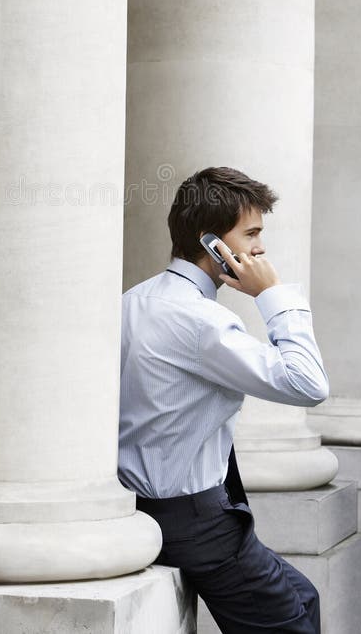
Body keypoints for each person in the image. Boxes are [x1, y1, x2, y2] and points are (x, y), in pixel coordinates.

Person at [118, 166, 329, 634]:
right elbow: (309, 384)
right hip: (197, 525)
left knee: (304, 597)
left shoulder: (133, 300)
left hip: (155, 511)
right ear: (212, 242)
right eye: (251, 234)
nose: (260, 248)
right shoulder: (202, 322)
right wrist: (272, 296)